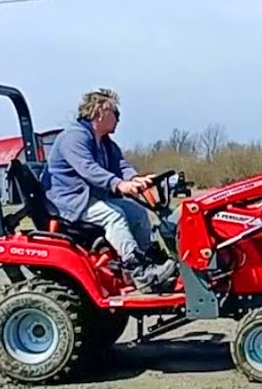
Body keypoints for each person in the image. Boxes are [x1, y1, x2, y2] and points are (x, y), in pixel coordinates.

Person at [40, 87, 178, 292]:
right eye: (116, 113)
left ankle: (152, 260)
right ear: (100, 112)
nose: (119, 119)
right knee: (114, 216)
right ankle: (137, 270)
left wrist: (136, 179)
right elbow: (87, 168)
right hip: (71, 202)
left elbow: (120, 165)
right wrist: (118, 184)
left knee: (138, 213)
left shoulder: (104, 142)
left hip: (92, 199)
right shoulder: (74, 137)